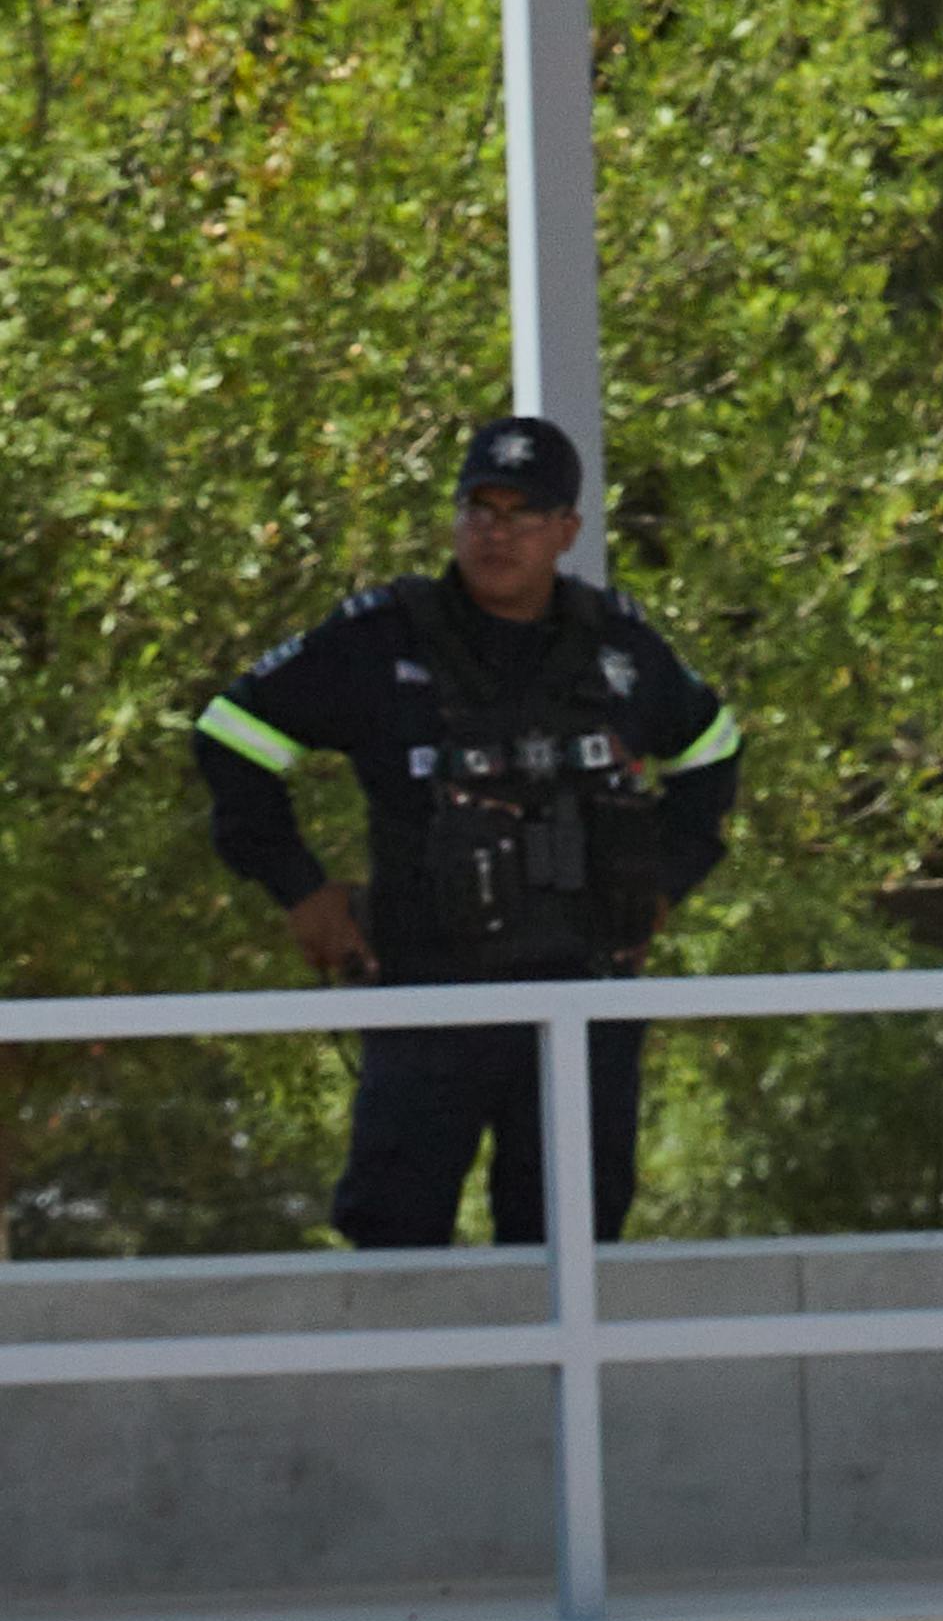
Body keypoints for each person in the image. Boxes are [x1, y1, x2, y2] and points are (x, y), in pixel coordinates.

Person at [195, 416, 743, 1249]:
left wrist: (665, 881)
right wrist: (300, 888)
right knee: (394, 1248)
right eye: (479, 507)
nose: (496, 530)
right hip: (429, 995)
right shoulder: (381, 638)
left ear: (567, 530)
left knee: (572, 1253)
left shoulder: (619, 648)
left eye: (523, 513)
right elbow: (230, 733)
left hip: (582, 999)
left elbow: (713, 750)